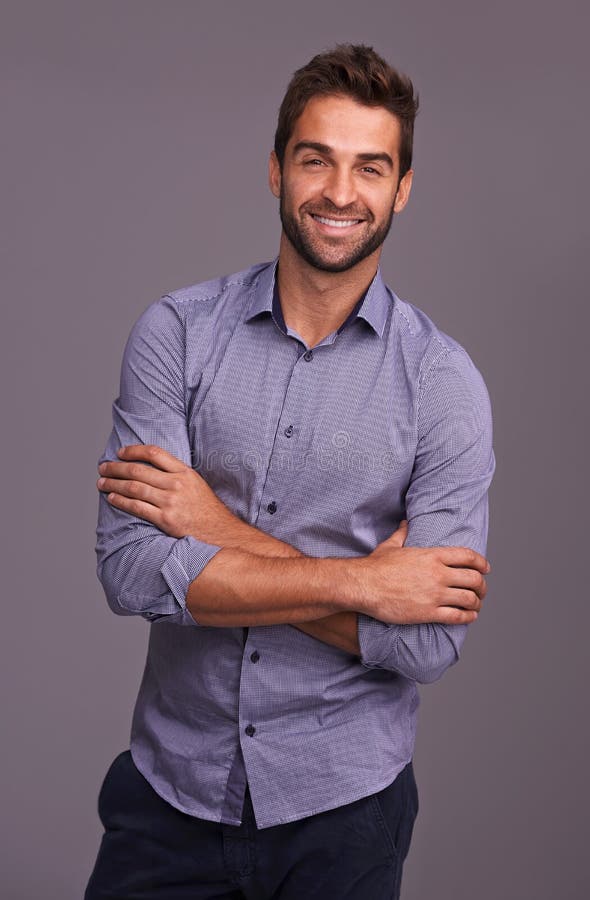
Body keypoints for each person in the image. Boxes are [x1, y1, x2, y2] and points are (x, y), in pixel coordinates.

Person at [85, 43, 494, 900]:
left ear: (401, 189)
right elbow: (132, 571)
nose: (340, 192)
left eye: (369, 167)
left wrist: (212, 530)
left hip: (347, 812)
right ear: (276, 169)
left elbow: (426, 642)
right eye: (316, 159)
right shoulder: (177, 334)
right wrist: (368, 585)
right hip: (169, 796)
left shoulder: (443, 384)